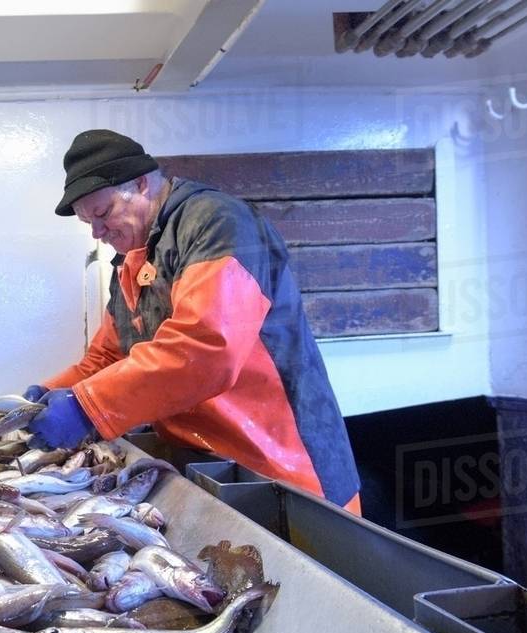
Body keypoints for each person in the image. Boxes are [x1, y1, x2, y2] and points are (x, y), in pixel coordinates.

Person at [25, 129, 361, 514]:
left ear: (140, 184)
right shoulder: (133, 260)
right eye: (89, 223)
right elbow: (108, 358)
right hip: (206, 467)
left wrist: (88, 407)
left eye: (102, 214)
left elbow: (205, 348)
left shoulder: (217, 224)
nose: (98, 233)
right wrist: (39, 399)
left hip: (285, 472)